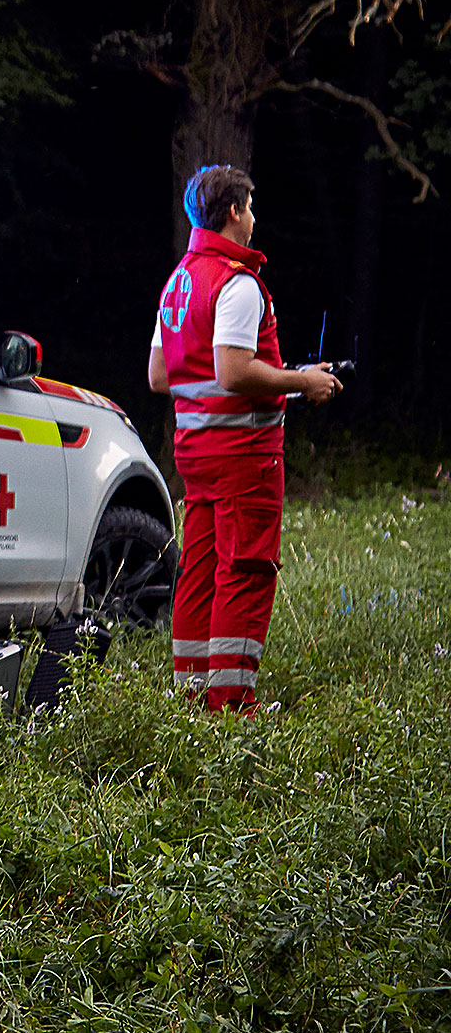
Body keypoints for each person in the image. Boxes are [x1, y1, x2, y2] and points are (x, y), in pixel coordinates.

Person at [148, 165, 340, 714]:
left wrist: (273, 376)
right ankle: (229, 706)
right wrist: (301, 382)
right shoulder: (236, 282)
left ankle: (191, 696)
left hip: (198, 457)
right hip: (244, 460)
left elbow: (160, 377)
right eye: (250, 207)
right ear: (233, 212)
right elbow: (234, 372)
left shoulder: (178, 282)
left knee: (201, 571)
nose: (254, 219)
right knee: (244, 571)